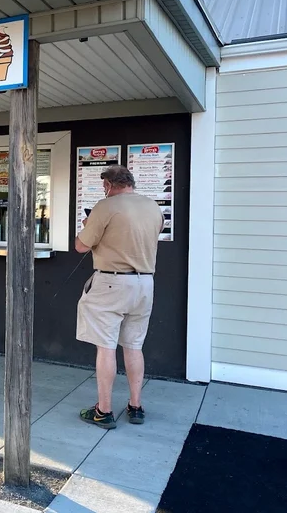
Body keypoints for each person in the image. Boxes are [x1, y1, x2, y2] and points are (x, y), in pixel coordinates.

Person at [74, 165, 164, 428]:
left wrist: (88, 226)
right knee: (134, 345)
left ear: (108, 186)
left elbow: (81, 246)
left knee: (106, 346)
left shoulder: (106, 206)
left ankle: (103, 410)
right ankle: (136, 406)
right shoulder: (153, 207)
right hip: (145, 283)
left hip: (112, 282)